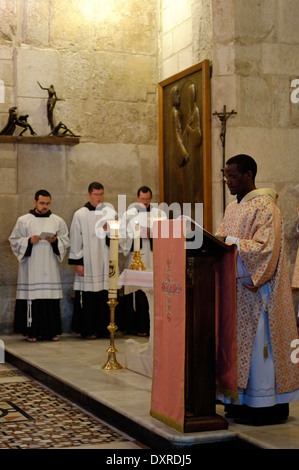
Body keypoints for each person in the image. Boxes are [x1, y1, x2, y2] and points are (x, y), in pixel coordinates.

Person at [216, 154, 299, 425]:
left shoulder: (266, 207)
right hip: (235, 295)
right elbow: (221, 243)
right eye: (225, 175)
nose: (227, 180)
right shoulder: (232, 207)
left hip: (259, 294)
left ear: (249, 175)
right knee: (237, 348)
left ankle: (264, 405)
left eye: (232, 176)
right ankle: (238, 402)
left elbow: (265, 249)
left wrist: (230, 242)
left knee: (259, 352)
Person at [9, 189, 69, 342]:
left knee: (50, 298)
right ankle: (32, 332)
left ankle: (51, 331)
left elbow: (65, 241)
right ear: (35, 202)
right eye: (42, 203)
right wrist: (29, 241)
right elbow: (14, 240)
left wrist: (55, 241)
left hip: (49, 266)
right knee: (33, 298)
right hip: (32, 267)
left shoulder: (58, 220)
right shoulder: (24, 220)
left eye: (47, 203)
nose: (45, 206)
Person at [68, 182, 115, 339]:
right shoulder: (80, 214)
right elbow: (75, 238)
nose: (99, 198)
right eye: (96, 194)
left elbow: (117, 236)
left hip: (104, 260)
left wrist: (110, 231)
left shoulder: (109, 212)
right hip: (88, 261)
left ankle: (103, 329)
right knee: (88, 297)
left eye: (101, 194)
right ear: (89, 195)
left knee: (103, 296)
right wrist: (79, 262)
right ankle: (88, 329)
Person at [119, 186, 166, 336]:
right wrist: (135, 237)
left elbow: (166, 234)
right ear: (137, 198)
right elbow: (122, 237)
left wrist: (152, 234)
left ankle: (152, 326)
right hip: (135, 256)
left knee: (152, 290)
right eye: (142, 199)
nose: (145, 202)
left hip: (153, 257)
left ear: (151, 198)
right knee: (137, 291)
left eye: (148, 199)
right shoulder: (128, 215)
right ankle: (136, 326)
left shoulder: (160, 214)